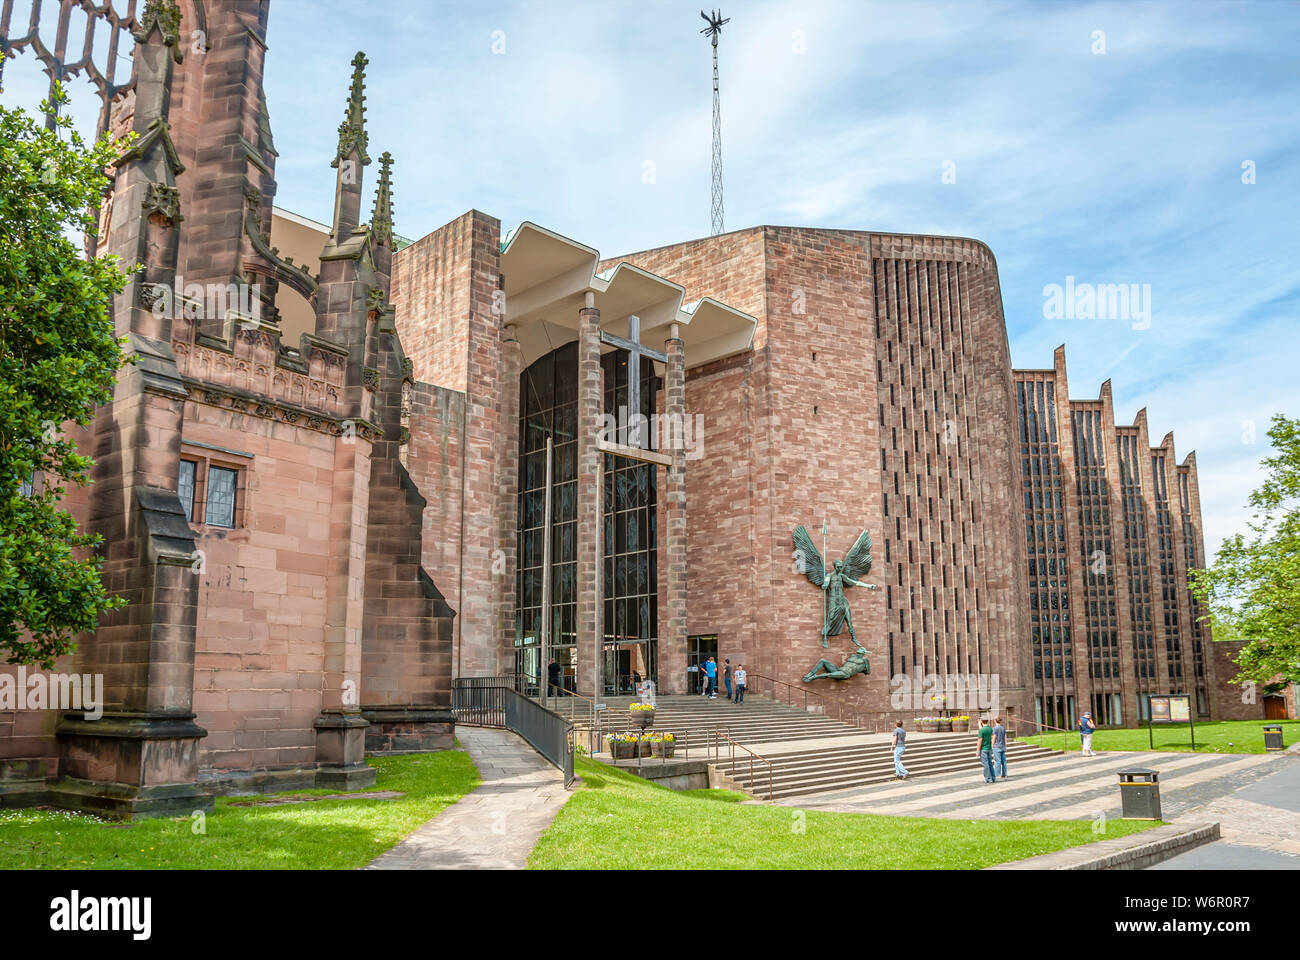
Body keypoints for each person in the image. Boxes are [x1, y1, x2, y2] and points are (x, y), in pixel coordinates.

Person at [977, 716, 996, 783]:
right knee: (990, 763)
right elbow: (993, 735)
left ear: (981, 721)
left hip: (983, 749)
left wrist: (978, 750)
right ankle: (993, 777)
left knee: (985, 764)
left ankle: (988, 778)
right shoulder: (990, 728)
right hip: (989, 748)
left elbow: (980, 740)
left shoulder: (981, 730)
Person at [992, 716, 1008, 780]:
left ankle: (997, 774)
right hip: (1003, 746)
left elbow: (994, 737)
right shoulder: (1003, 728)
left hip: (997, 746)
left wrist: (992, 745)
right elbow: (1005, 737)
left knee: (997, 761)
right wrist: (1005, 745)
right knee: (1004, 761)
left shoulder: (995, 728)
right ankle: (1004, 774)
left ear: (995, 721)